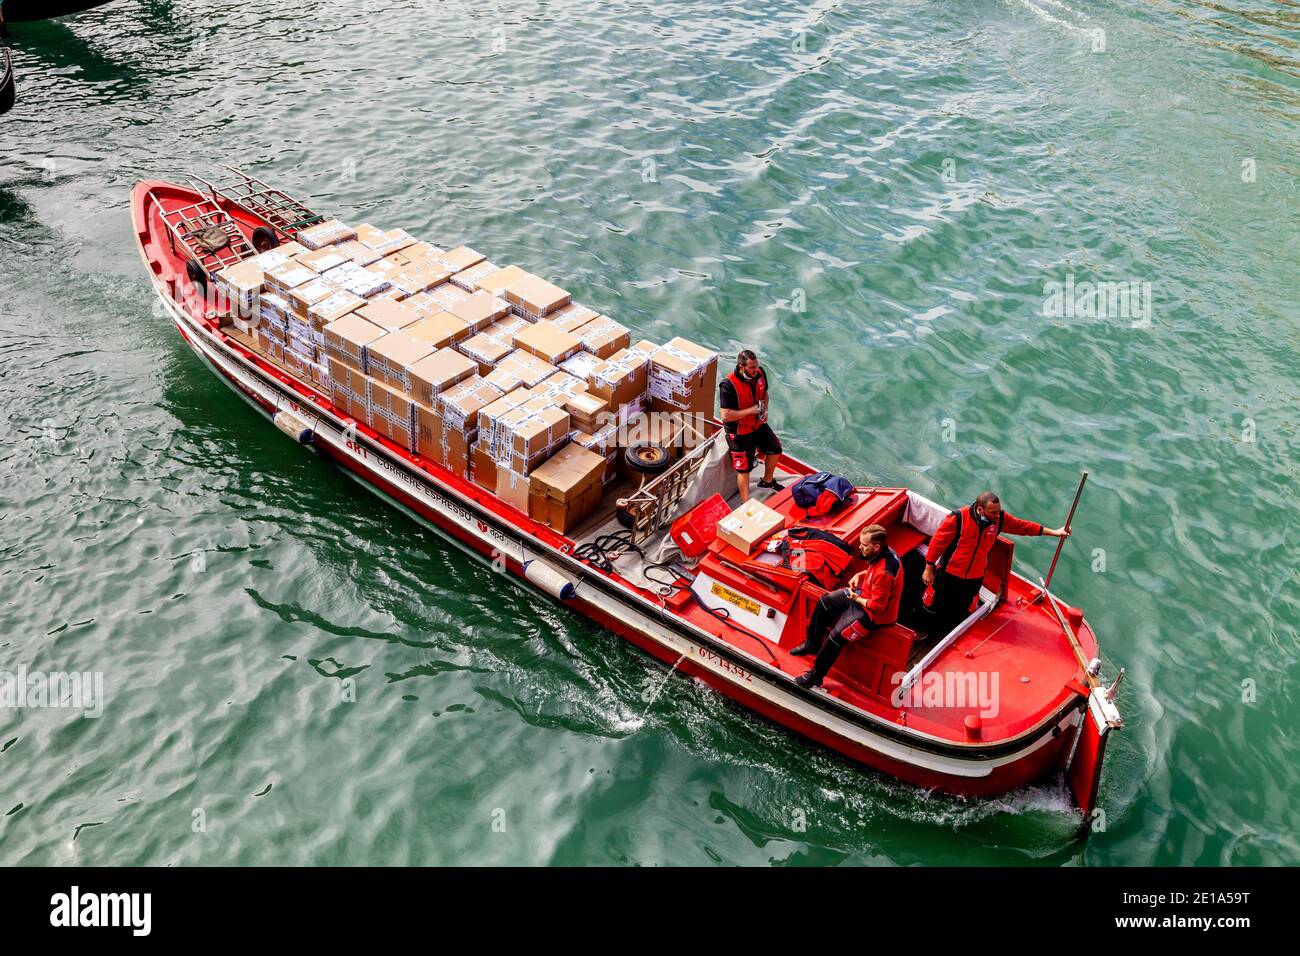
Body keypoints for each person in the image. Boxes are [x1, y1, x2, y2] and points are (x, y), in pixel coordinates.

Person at [920, 491, 1069, 639]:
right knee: (933, 605)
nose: (997, 515)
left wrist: (1055, 532)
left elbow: (1024, 527)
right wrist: (929, 568)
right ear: (980, 509)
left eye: (998, 511)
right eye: (993, 512)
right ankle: (925, 632)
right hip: (949, 573)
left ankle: (952, 638)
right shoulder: (958, 518)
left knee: (963, 610)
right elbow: (937, 543)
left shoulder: (1000, 519)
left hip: (974, 577)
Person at [792, 524, 903, 689]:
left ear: (876, 546)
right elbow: (873, 572)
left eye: (864, 545)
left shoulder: (884, 573)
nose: (860, 547)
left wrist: (856, 598)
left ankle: (815, 676)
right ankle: (812, 643)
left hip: (873, 614)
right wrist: (860, 574)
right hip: (864, 595)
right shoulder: (886, 554)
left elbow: (877, 606)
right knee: (825, 601)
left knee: (836, 637)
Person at [719, 349, 783, 502]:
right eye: (752, 367)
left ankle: (767, 481)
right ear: (741, 367)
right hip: (739, 431)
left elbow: (764, 394)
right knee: (744, 468)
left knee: (775, 448)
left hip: (758, 424)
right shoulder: (728, 385)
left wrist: (765, 409)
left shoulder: (760, 373)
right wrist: (751, 411)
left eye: (756, 366)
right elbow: (726, 415)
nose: (756, 370)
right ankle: (745, 502)